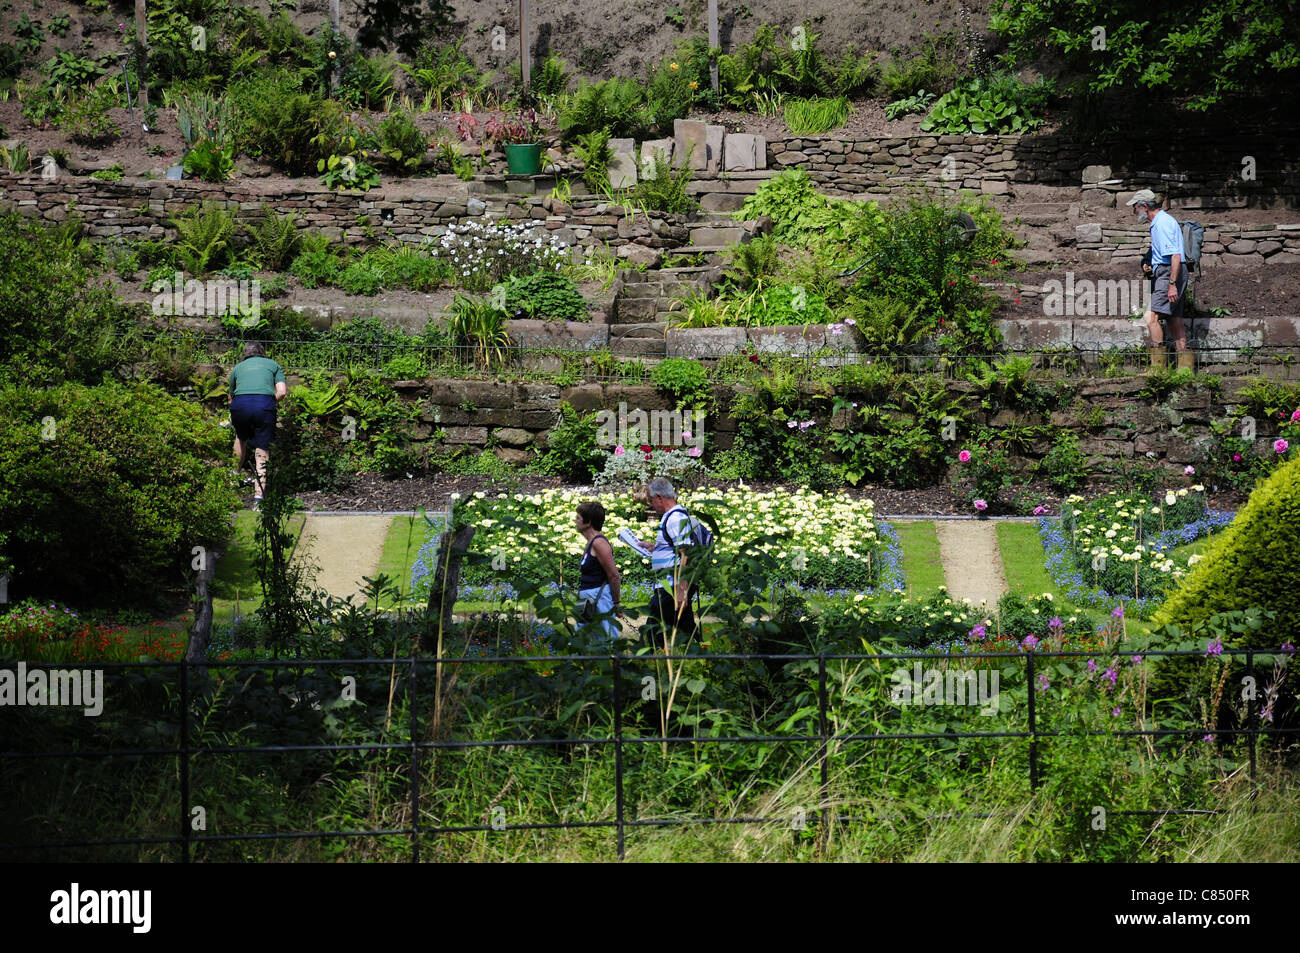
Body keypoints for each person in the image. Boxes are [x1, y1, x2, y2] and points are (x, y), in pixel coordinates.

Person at [1128, 189, 1192, 372]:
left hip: (1170, 273)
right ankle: (1185, 371)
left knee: (1150, 316)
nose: (1133, 211)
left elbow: (1175, 255)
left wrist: (1171, 284)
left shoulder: (1162, 223)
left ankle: (1158, 370)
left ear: (1144, 207)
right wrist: (1150, 263)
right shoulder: (1162, 221)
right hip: (1173, 271)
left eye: (1135, 207)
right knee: (1174, 320)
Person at [634, 477, 700, 645]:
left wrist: (681, 589)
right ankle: (698, 659)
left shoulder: (675, 519)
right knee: (685, 629)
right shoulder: (673, 517)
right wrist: (655, 548)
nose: (651, 505)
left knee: (654, 630)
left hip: (672, 586)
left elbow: (687, 553)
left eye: (651, 500)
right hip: (672, 585)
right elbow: (677, 548)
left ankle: (653, 662)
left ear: (659, 498)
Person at [228, 342, 288, 504]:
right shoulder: (273, 365)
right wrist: (269, 402)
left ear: (245, 353)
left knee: (240, 438)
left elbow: (231, 397)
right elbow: (282, 392)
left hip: (240, 405)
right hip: (264, 405)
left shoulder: (238, 368)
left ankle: (232, 479)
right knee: (262, 448)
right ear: (262, 352)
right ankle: (258, 497)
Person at [575, 500, 623, 643]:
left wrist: (616, 603)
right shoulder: (590, 542)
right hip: (586, 597)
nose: (575, 521)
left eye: (578, 518)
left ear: (588, 522)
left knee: (607, 638)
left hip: (599, 597)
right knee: (581, 639)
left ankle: (613, 663)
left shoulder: (599, 543)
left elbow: (614, 576)